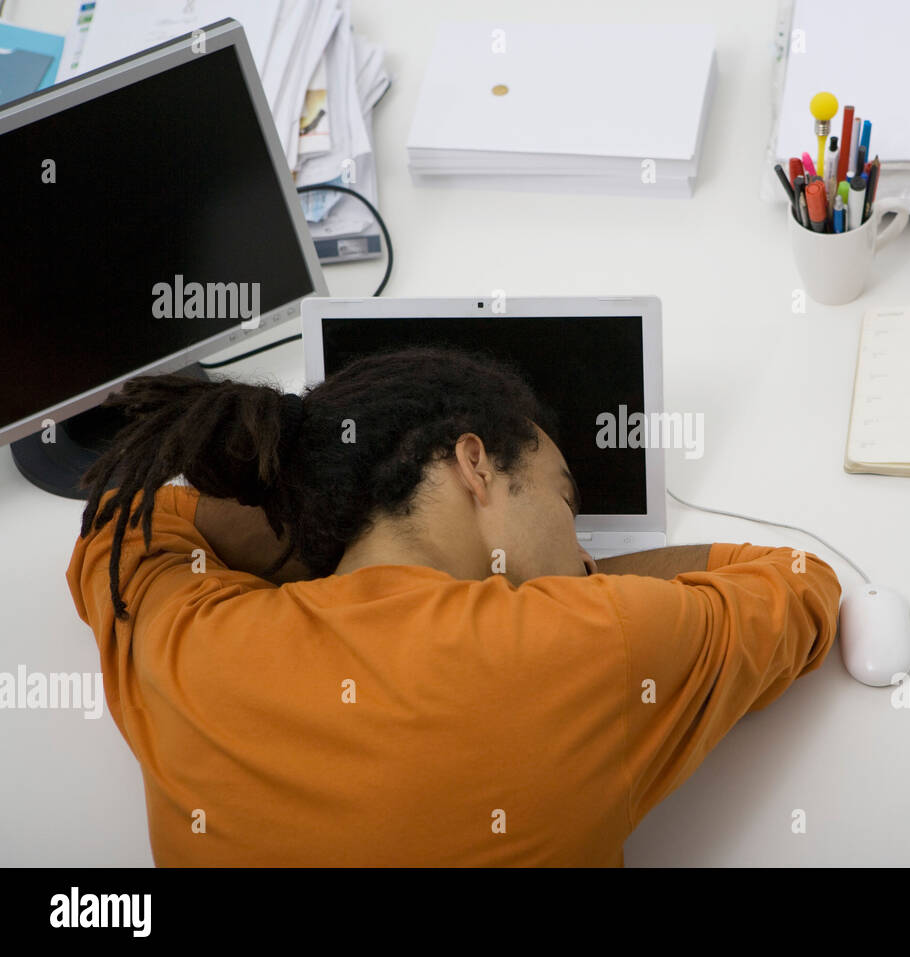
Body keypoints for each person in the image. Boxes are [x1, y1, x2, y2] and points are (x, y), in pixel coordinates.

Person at [66, 347, 841, 865]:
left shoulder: (188, 650)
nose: (580, 551)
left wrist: (323, 513)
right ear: (476, 463)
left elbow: (124, 528)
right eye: (562, 495)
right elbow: (801, 582)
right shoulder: (594, 642)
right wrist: (577, 590)